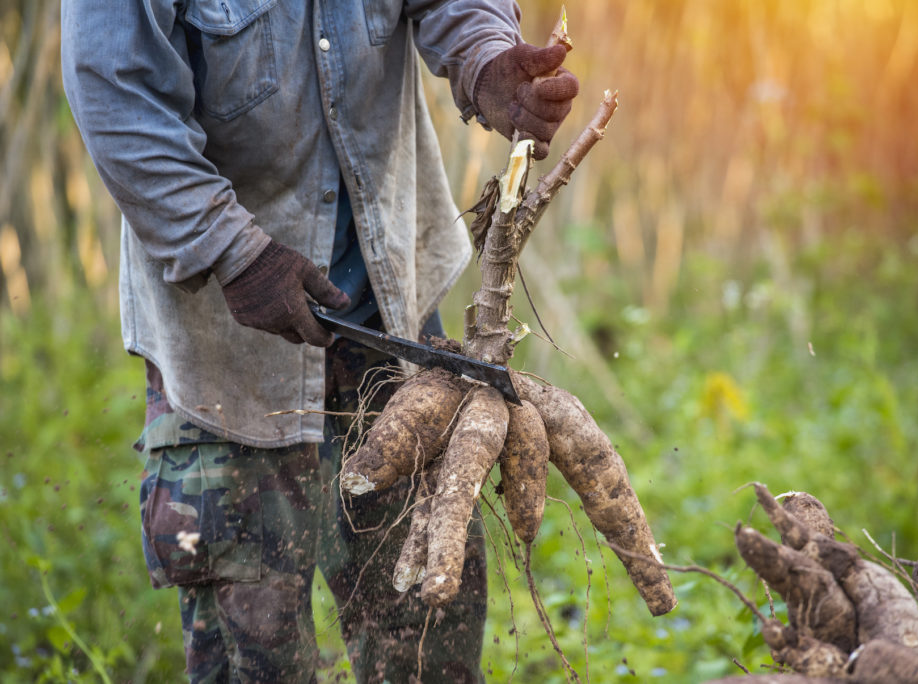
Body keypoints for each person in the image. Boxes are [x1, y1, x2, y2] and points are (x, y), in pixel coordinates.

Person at [61, 1, 578, 681]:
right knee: (255, 656)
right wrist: (231, 251)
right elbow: (115, 94)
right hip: (228, 352)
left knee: (430, 638)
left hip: (393, 325)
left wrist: (485, 60)